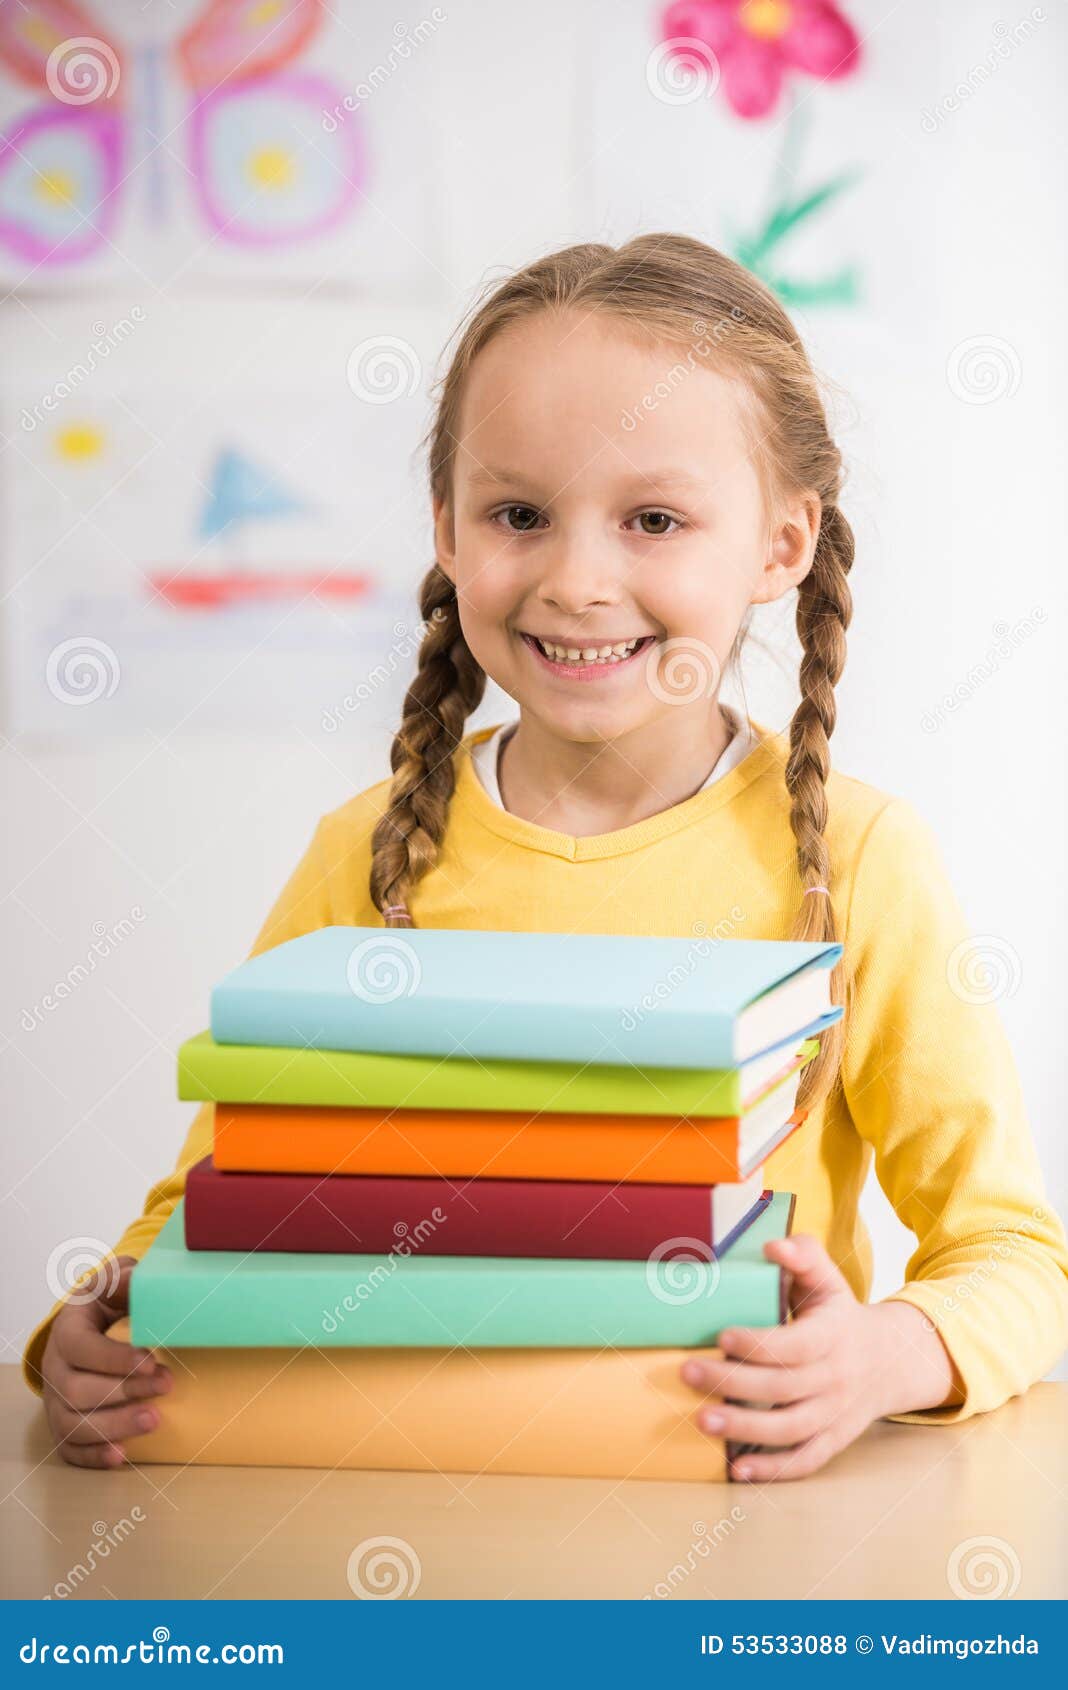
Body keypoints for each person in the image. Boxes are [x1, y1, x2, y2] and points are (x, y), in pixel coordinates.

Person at [27, 235, 1068, 1479]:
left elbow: (1016, 1258)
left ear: (783, 544)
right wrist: (82, 1335)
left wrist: (884, 1358)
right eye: (519, 514)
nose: (578, 580)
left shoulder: (861, 860)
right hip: (398, 1495)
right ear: (449, 532)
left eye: (655, 519)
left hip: (739, 1540)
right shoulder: (364, 852)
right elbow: (216, 1196)